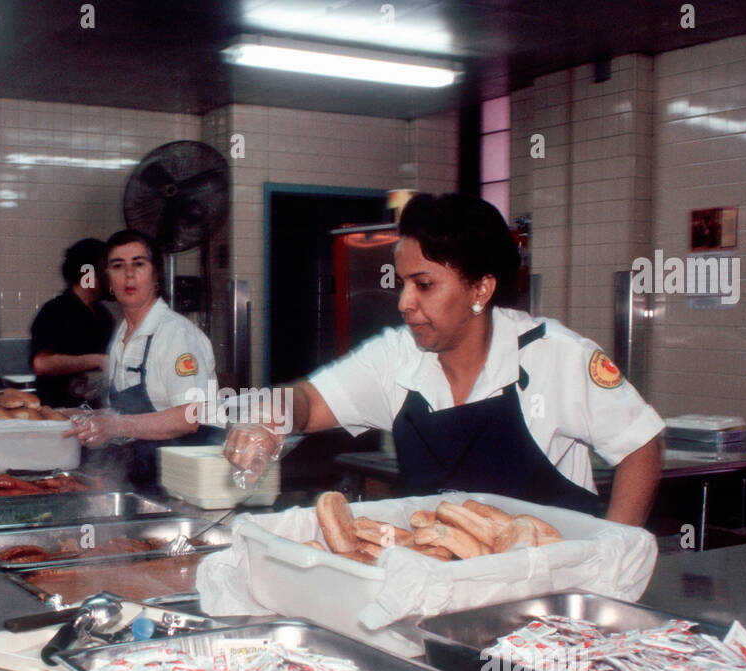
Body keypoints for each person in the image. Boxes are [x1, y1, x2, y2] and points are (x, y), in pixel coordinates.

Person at [225, 193, 665, 525]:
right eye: (402, 283)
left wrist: (613, 548)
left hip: (550, 589)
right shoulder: (397, 356)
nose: (404, 302)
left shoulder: (555, 356)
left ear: (481, 289)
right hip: (445, 583)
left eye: (424, 284)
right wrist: (268, 416)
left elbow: (641, 444)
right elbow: (308, 401)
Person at [68, 229, 221, 488]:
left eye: (139, 264)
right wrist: (81, 417)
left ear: (156, 277)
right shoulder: (122, 335)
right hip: (145, 478)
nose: (129, 275)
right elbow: (128, 413)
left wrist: (115, 425)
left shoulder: (176, 334)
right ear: (109, 281)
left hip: (187, 484)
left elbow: (190, 416)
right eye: (118, 266)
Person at [29, 237, 116, 408]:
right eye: (106, 271)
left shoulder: (103, 315)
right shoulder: (55, 311)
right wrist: (96, 360)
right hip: (59, 413)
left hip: (96, 411)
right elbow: (42, 364)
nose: (111, 277)